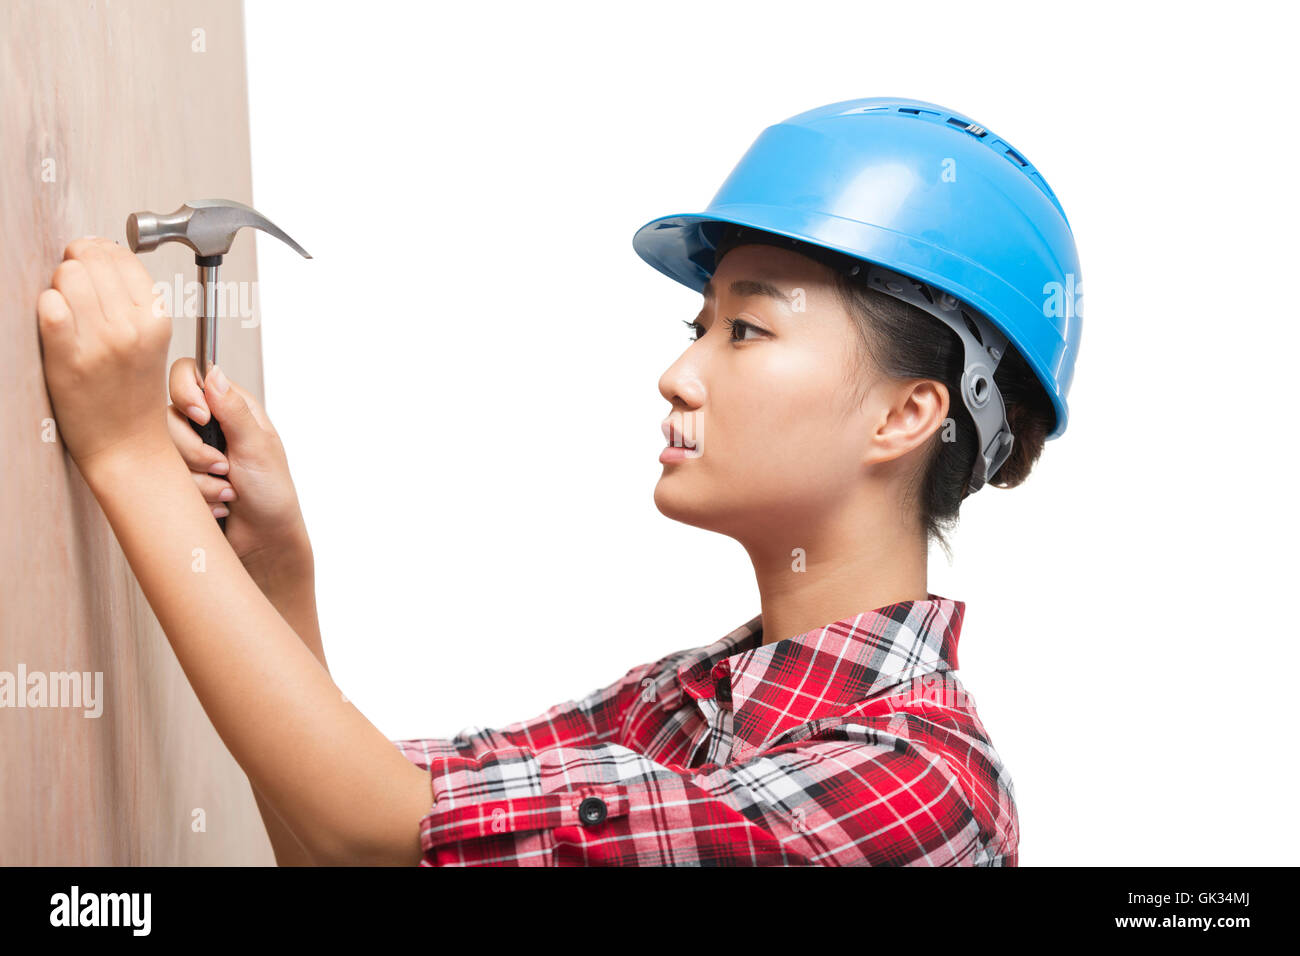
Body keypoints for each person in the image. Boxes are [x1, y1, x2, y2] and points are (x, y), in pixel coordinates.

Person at [35, 96, 1080, 865]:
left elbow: (367, 827)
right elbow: (351, 841)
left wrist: (129, 452)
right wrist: (274, 573)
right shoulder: (677, 705)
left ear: (906, 414)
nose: (678, 373)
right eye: (697, 326)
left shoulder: (919, 784)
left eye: (747, 329)